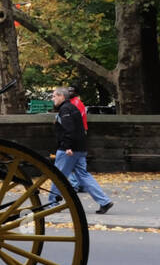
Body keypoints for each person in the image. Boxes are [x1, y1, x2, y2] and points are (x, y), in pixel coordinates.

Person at [48, 86, 113, 214]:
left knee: (58, 175)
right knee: (83, 176)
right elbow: (79, 129)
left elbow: (69, 130)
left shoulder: (65, 109)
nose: (52, 98)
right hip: (80, 148)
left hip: (69, 150)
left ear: (62, 96)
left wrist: (67, 146)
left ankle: (52, 203)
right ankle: (104, 201)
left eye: (54, 96)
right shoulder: (73, 108)